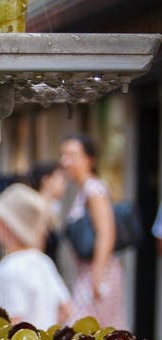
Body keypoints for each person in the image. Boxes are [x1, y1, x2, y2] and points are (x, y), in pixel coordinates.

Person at [60, 133, 127, 329]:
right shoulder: (84, 190)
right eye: (63, 155)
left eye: (72, 155)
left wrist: (98, 277)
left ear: (89, 159)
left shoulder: (93, 189)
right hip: (89, 272)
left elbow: (106, 232)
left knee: (81, 329)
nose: (66, 161)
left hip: (98, 272)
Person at [0, 183, 73, 329]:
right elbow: (66, 310)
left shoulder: (7, 269)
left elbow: (13, 323)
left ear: (4, 224)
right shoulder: (43, 261)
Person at [28, 159, 67, 264]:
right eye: (61, 180)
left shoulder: (49, 208)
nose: (64, 185)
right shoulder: (39, 208)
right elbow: (36, 249)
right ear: (46, 181)